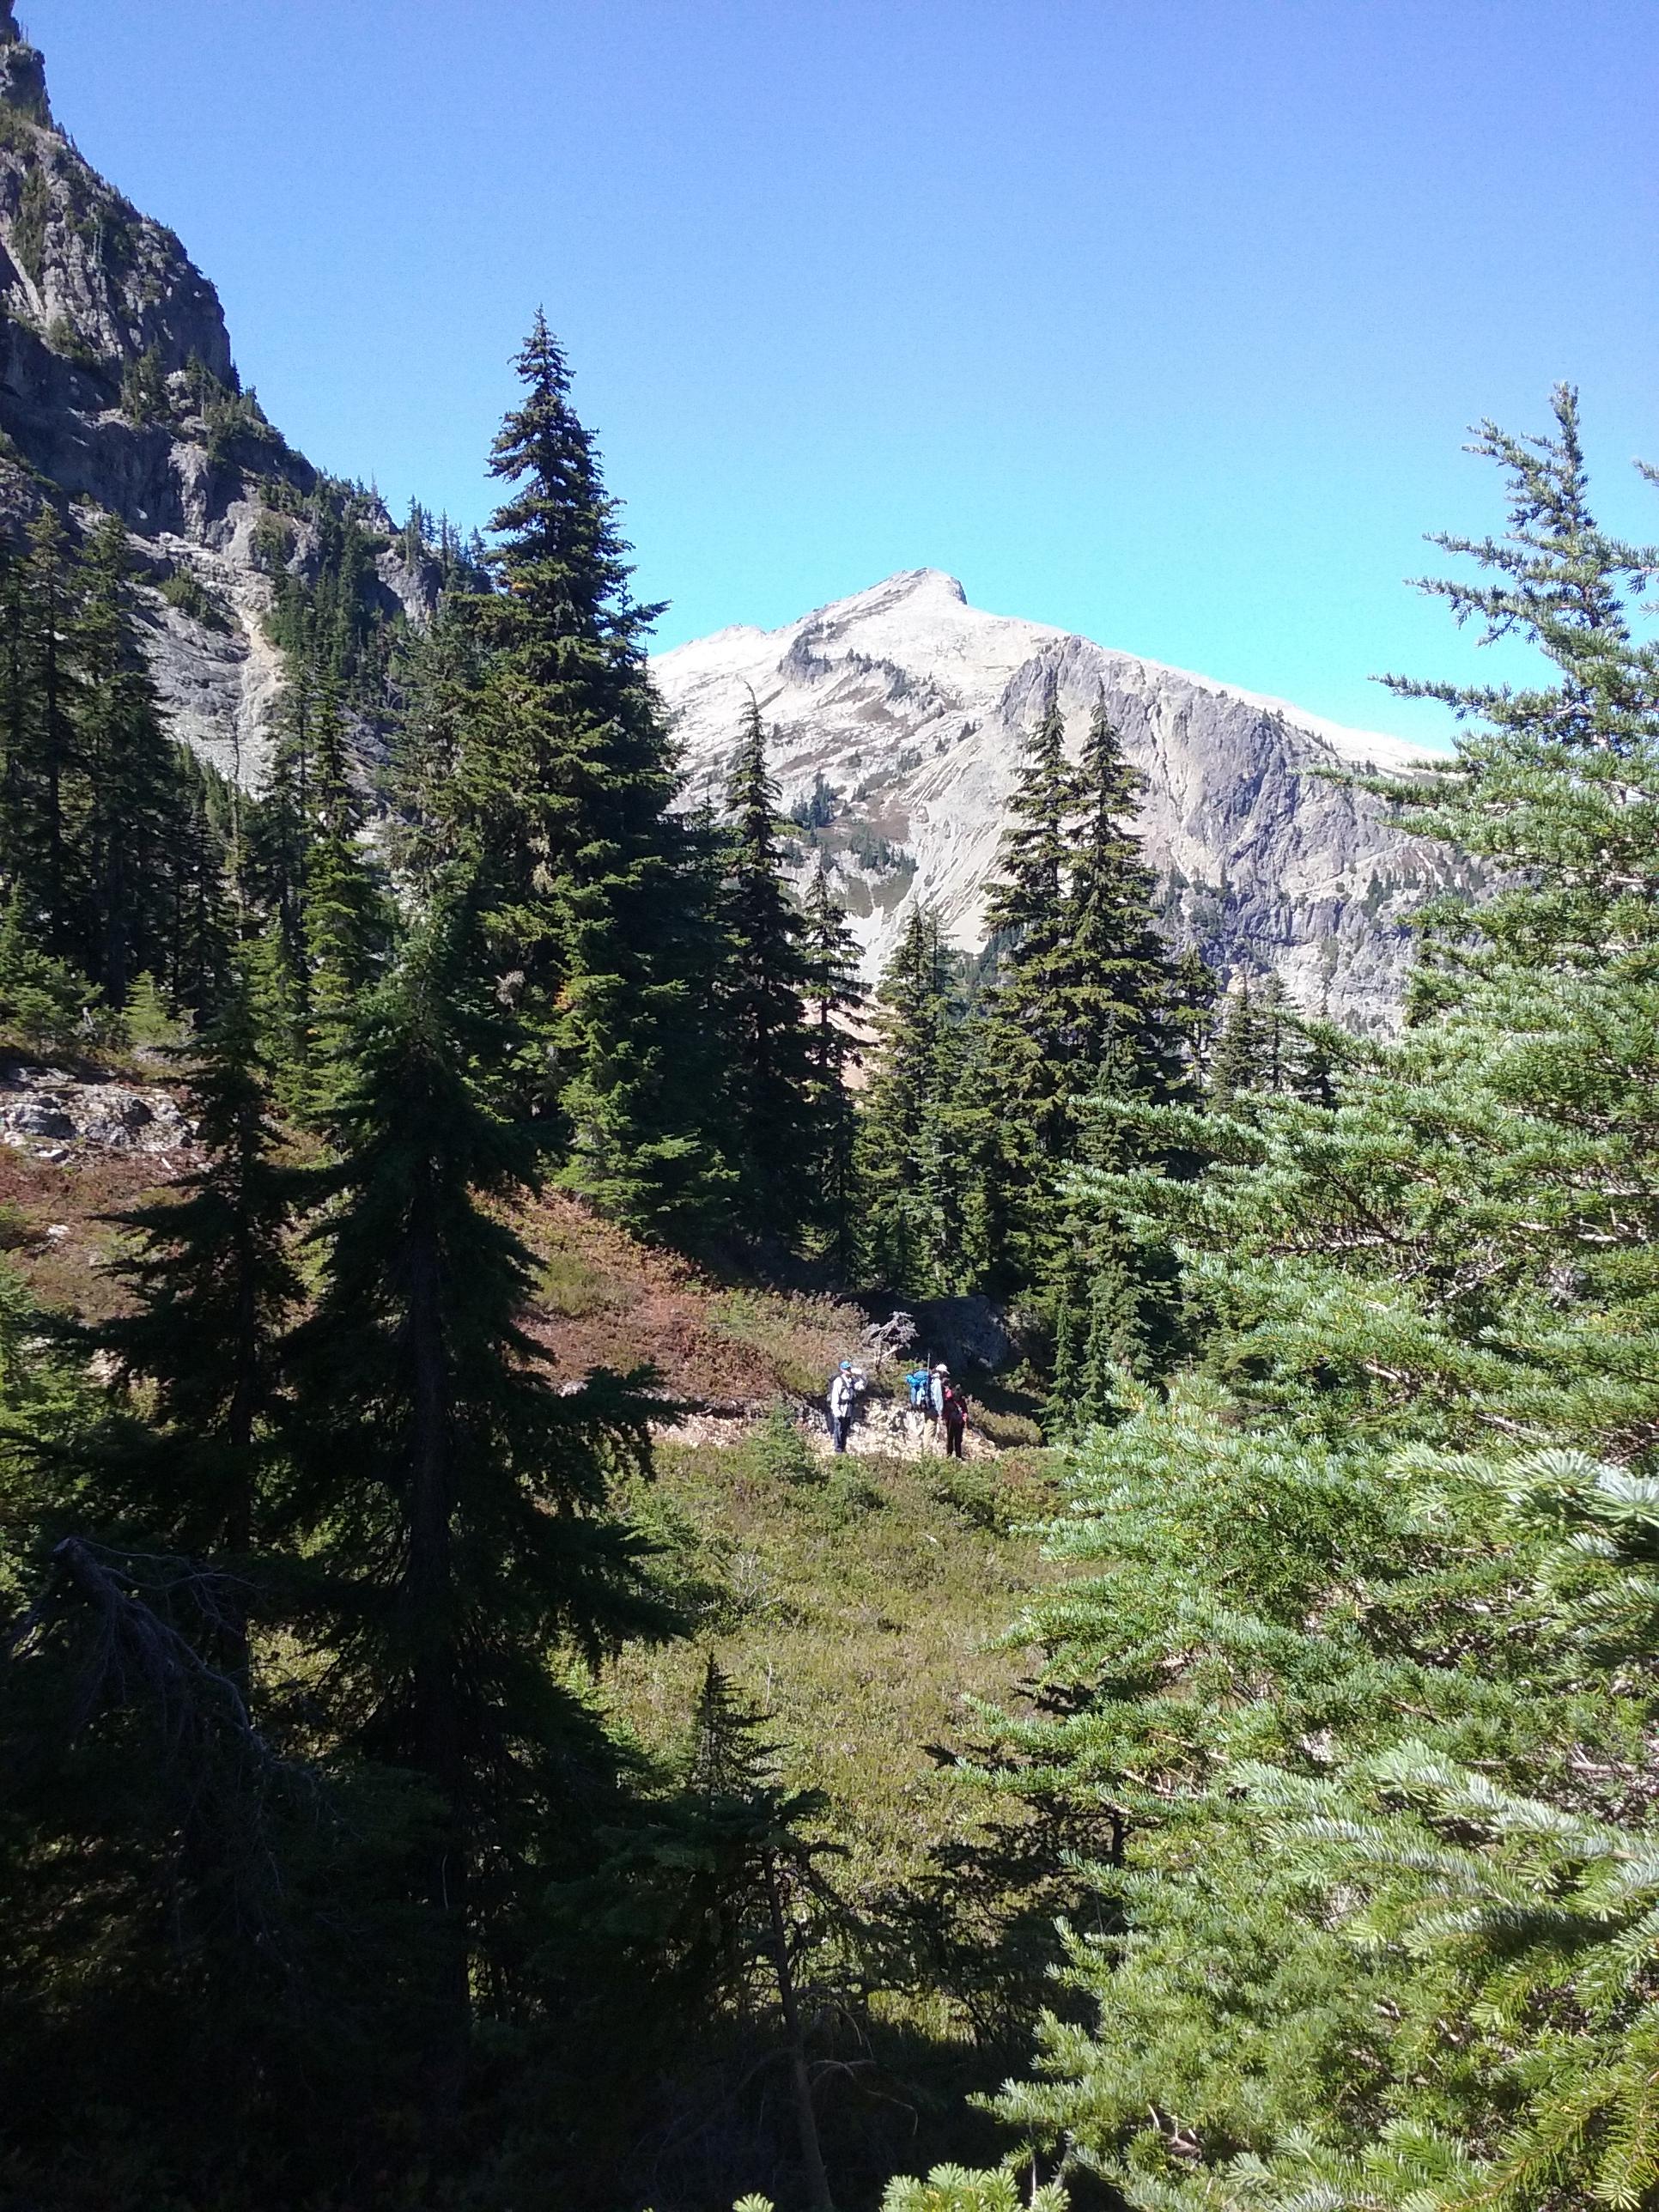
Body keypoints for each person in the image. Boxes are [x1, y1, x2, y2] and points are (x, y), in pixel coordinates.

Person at [826, 1359, 863, 1454]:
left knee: (845, 1430)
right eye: (846, 1369)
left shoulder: (852, 1381)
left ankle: (843, 1448)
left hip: (848, 1409)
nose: (848, 1370)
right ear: (842, 1370)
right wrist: (836, 1410)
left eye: (849, 1368)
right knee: (838, 1429)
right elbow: (835, 1396)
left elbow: (862, 1386)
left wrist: (860, 1375)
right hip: (840, 1409)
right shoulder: (839, 1381)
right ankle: (838, 1450)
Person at [937, 1364, 969, 1459]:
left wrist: (943, 1416)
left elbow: (945, 1408)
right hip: (958, 1421)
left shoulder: (948, 1399)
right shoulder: (961, 1400)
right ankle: (958, 1456)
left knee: (950, 1438)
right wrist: (964, 1419)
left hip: (951, 1420)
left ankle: (949, 1455)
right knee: (958, 1439)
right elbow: (965, 1410)